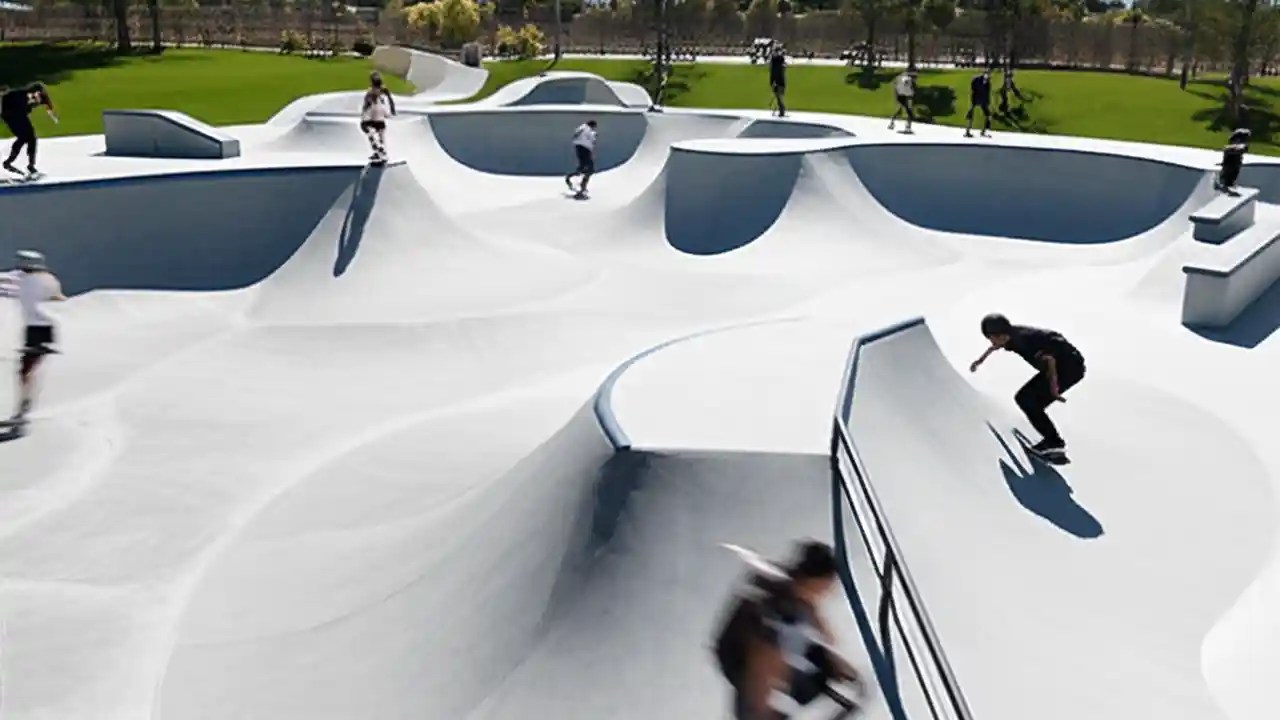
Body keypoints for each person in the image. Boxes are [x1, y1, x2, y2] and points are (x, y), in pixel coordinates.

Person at [714, 540, 864, 720]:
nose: (827, 594)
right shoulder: (775, 594)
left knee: (813, 669)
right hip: (746, 655)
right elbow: (761, 656)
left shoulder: (800, 599)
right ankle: (761, 710)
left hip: (763, 650)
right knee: (772, 658)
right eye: (825, 587)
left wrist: (836, 665)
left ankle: (805, 687)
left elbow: (822, 635)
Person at [970, 313, 1086, 456]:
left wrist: (1054, 390)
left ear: (999, 335)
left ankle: (1054, 443)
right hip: (1064, 363)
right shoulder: (1008, 335)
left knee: (1026, 399)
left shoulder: (1025, 341)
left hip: (1068, 368)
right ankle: (1049, 434)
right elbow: (994, 347)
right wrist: (980, 361)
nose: (991, 342)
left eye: (990, 338)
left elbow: (1051, 362)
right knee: (1031, 403)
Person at [0, 250, 66, 424]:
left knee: (26, 368)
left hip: (35, 329)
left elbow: (5, 282)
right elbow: (58, 298)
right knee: (29, 367)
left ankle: (25, 404)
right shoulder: (49, 279)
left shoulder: (22, 278)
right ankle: (26, 402)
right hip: (45, 328)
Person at [2, 82, 57, 178]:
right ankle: (24, 165)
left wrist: (51, 114)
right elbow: (6, 98)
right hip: (11, 115)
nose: (37, 98)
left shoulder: (38, 96)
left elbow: (46, 102)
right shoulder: (19, 95)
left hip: (19, 115)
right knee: (26, 137)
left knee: (28, 138)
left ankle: (25, 164)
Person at [360, 72, 396, 164]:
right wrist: (392, 110)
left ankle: (380, 150)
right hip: (381, 117)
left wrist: (363, 113)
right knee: (380, 136)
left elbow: (367, 103)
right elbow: (390, 99)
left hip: (373, 116)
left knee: (369, 132)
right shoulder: (384, 90)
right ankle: (380, 151)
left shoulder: (371, 91)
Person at [565, 119, 597, 200]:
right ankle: (581, 187)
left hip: (579, 148)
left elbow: (575, 136)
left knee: (582, 167)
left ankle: (570, 178)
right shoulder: (588, 130)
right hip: (585, 149)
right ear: (592, 126)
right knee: (590, 169)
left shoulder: (581, 127)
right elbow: (592, 140)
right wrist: (594, 136)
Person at [1216, 128, 1251, 193]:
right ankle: (1224, 185)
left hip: (1233, 169)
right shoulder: (1230, 147)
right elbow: (1229, 150)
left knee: (1233, 173)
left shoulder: (1240, 147)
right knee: (1229, 174)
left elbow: (1242, 148)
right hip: (1228, 170)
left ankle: (1228, 184)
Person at [964, 69, 992, 138]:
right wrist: (975, 94)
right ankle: (967, 132)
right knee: (970, 114)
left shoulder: (988, 83)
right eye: (987, 74)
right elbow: (973, 87)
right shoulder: (977, 79)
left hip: (983, 99)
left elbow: (987, 93)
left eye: (989, 74)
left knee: (988, 115)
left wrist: (987, 102)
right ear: (984, 74)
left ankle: (983, 131)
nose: (988, 76)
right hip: (975, 98)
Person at [888, 68, 916, 134]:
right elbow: (908, 85)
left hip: (900, 96)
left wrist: (896, 94)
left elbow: (895, 86)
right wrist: (912, 91)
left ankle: (892, 123)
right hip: (907, 96)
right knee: (909, 112)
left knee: (899, 110)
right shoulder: (908, 78)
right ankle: (908, 127)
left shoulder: (898, 77)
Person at [769, 45, 788, 118]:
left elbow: (776, 72)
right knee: (778, 97)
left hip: (779, 81)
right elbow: (772, 73)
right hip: (777, 81)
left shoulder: (779, 60)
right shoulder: (775, 62)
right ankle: (781, 110)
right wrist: (772, 82)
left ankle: (782, 110)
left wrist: (773, 82)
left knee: (779, 97)